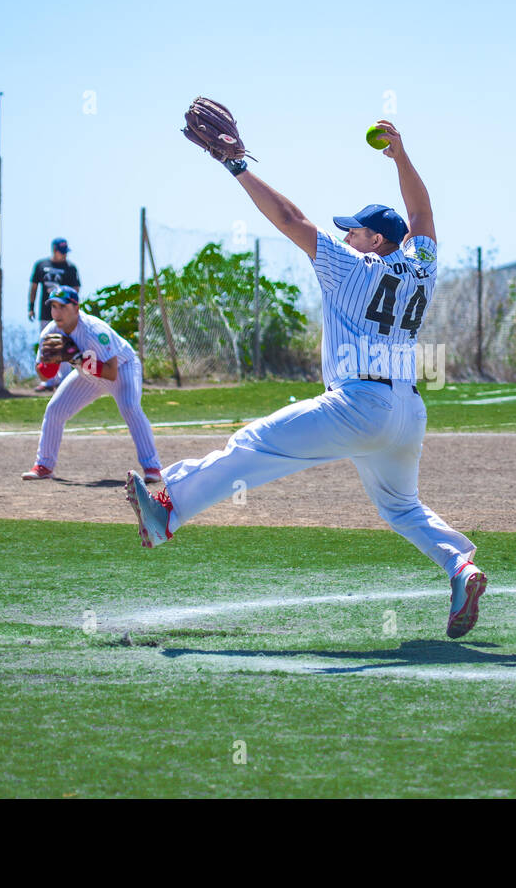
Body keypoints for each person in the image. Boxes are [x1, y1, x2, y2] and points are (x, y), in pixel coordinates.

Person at [123, 118, 486, 639]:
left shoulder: (353, 266)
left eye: (355, 229)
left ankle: (168, 508)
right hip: (408, 412)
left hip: (358, 404)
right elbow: (422, 212)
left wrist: (236, 165)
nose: (345, 235)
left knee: (253, 444)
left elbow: (289, 217)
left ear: (377, 240)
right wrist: (401, 156)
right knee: (402, 507)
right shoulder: (422, 266)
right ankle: (460, 567)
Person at [21, 287, 164, 484]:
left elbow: (111, 372)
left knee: (130, 407)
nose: (57, 312)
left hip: (123, 368)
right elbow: (44, 373)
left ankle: (152, 467)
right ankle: (44, 466)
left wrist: (75, 357)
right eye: (53, 306)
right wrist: (49, 364)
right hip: (87, 373)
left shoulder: (94, 330)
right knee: (55, 410)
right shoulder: (50, 332)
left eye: (62, 306)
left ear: (76, 308)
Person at [28, 237, 81, 392]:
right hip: (46, 312)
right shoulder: (41, 265)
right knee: (48, 345)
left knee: (64, 345)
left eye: (65, 252)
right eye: (61, 252)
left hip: (64, 315)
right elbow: (34, 286)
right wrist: (31, 307)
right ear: (54, 250)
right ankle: (47, 381)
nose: (64, 255)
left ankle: (64, 381)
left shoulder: (70, 268)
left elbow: (76, 289)